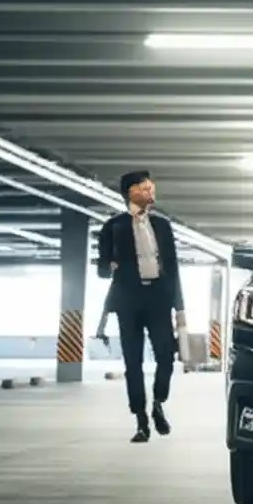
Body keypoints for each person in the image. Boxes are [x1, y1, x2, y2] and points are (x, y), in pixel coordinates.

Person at [97, 170, 187, 443]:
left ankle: (158, 402)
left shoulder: (163, 226)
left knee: (166, 356)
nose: (152, 193)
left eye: (152, 188)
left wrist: (180, 308)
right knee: (132, 363)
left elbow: (173, 269)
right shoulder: (113, 226)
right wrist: (109, 264)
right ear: (131, 192)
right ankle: (141, 420)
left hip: (159, 298)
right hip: (128, 302)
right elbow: (101, 269)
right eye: (146, 189)